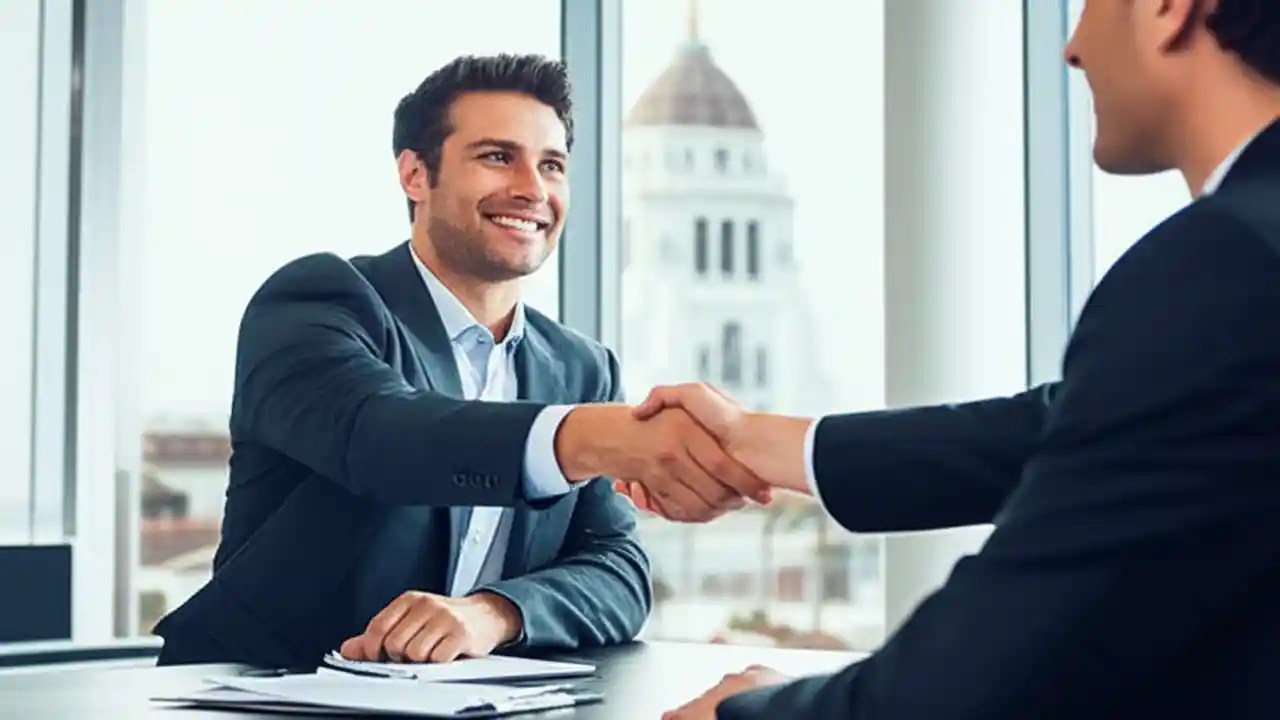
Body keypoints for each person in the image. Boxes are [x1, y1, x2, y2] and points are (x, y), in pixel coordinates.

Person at [636, 1, 1280, 717]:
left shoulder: (1224, 261)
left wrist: (753, 712)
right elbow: (1077, 431)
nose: (1070, 47)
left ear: (1168, 9)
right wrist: (762, 442)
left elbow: (995, 665)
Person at [152, 54, 769, 668]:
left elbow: (619, 574)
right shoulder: (319, 303)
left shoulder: (582, 368)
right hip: (262, 696)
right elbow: (384, 439)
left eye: (551, 164)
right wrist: (593, 438)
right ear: (415, 175)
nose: (532, 189)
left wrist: (493, 612)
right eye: (498, 157)